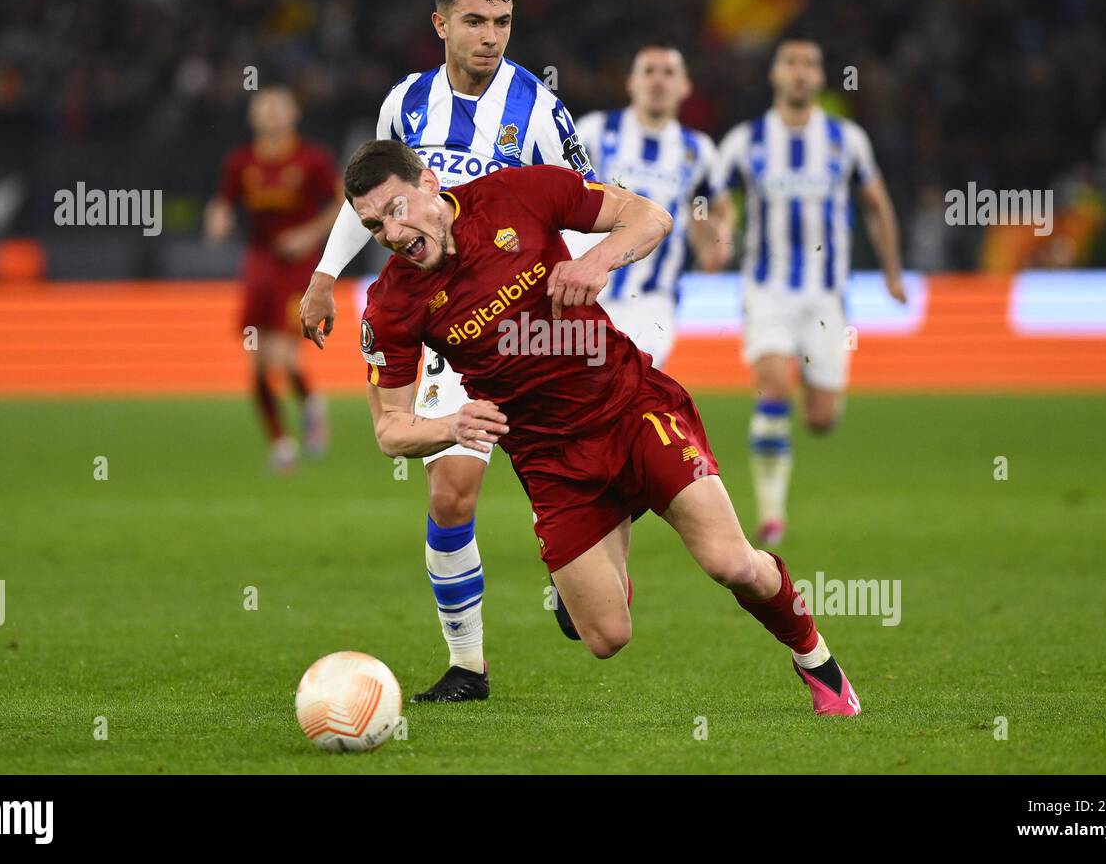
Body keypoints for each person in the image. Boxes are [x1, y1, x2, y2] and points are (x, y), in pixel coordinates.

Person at [349, 138, 862, 717]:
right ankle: (619, 513)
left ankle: (819, 663)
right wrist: (449, 424)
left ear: (428, 183)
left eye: (395, 210)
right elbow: (390, 430)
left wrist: (597, 260)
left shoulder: (519, 193)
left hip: (631, 409)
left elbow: (651, 216)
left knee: (730, 562)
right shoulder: (390, 304)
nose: (391, 234)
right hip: (549, 459)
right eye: (373, 227)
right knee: (605, 637)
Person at [297, 0, 597, 703]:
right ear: (440, 23)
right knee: (451, 494)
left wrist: (582, 285)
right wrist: (326, 275)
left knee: (564, 473)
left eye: (502, 21)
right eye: (475, 20)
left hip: (525, 322)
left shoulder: (539, 109)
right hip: (436, 328)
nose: (491, 37)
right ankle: (469, 667)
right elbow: (370, 198)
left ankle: (575, 565)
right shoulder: (404, 104)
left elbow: (589, 204)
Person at [719, 38, 905, 546]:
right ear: (775, 75)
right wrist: (718, 232)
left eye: (810, 65)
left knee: (821, 418)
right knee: (774, 384)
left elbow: (876, 204)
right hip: (767, 289)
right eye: (790, 64)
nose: (800, 73)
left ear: (820, 78)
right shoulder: (747, 139)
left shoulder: (847, 140)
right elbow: (715, 196)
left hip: (827, 297)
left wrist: (892, 272)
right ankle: (772, 514)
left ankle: (805, 386)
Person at [565, 43, 733, 368]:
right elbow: (560, 193)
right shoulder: (595, 131)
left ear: (684, 87)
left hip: (653, 299)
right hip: (587, 288)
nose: (658, 81)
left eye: (668, 73)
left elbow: (715, 205)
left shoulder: (698, 150)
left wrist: (717, 240)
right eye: (649, 71)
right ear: (631, 82)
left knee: (633, 393)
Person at [204, 87, 340, 472]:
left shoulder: (312, 159)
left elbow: (340, 202)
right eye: (264, 109)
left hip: (298, 267)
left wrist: (308, 235)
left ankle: (310, 402)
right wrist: (218, 217)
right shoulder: (241, 162)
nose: (271, 115)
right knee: (258, 365)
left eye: (279, 108)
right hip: (259, 262)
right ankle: (281, 443)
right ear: (253, 118)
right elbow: (224, 200)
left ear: (293, 115)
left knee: (282, 355)